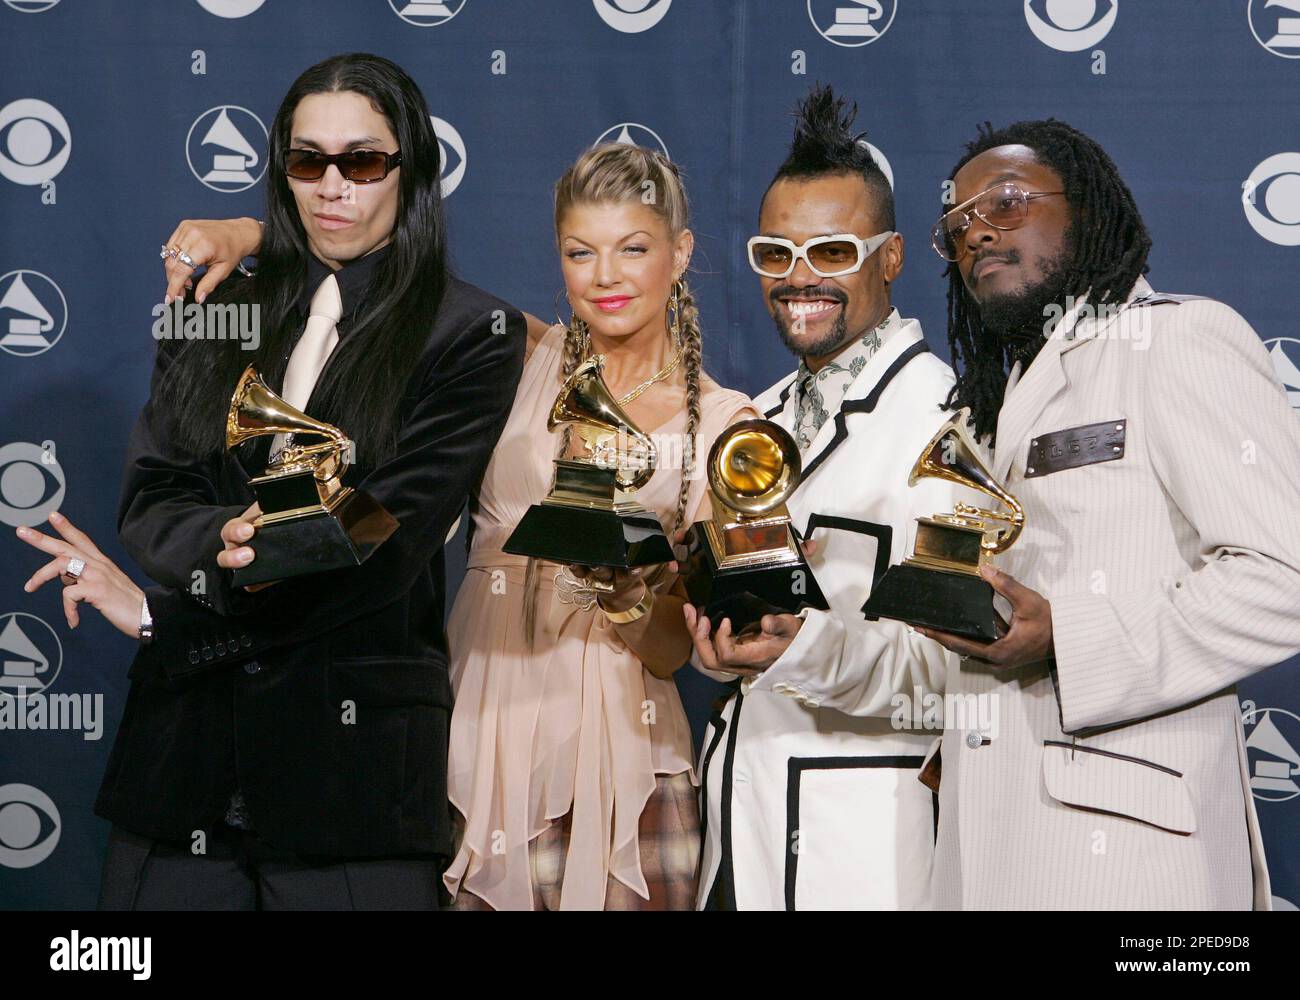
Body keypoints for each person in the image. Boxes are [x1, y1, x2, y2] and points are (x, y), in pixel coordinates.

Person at [152, 142, 758, 910]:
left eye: (632, 249)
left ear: (680, 255)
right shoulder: (517, 350)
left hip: (624, 753)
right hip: (477, 721)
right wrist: (251, 233)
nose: (605, 277)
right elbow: (392, 271)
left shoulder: (728, 424)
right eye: (581, 252)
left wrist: (624, 586)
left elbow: (679, 649)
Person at [16, 52, 526, 910]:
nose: (333, 187)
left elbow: (379, 544)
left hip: (352, 798)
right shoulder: (219, 301)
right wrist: (218, 542)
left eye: (361, 162)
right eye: (306, 161)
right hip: (182, 780)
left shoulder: (470, 334)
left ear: (412, 170)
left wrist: (161, 615)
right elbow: (155, 494)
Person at [914, 119, 1300, 909]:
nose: (977, 230)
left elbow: (1285, 576)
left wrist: (1069, 638)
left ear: (1086, 209)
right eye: (956, 225)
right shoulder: (985, 410)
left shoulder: (1181, 339)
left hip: (1130, 859)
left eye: (1008, 203)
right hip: (982, 847)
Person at [684, 86, 961, 910]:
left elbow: (960, 674)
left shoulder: (948, 422)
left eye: (833, 252)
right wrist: (718, 642)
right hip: (736, 824)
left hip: (864, 847)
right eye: (776, 254)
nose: (799, 280)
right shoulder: (754, 419)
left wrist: (801, 649)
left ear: (892, 257)